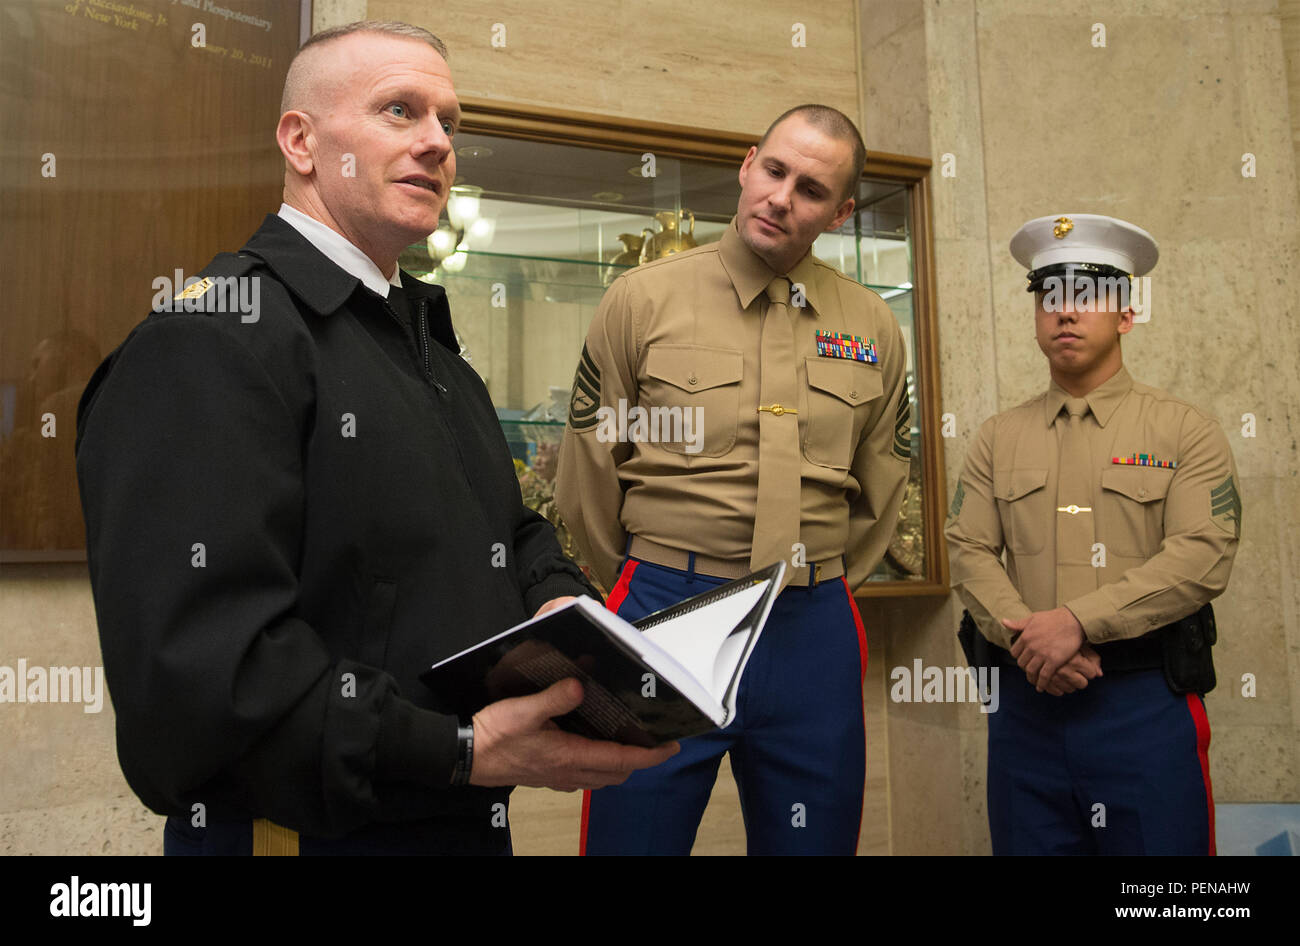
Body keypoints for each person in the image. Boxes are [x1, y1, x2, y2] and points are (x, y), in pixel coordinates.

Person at [75, 20, 675, 857]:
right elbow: (207, 682)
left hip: (458, 821)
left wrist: (555, 600)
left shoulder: (427, 347)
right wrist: (460, 751)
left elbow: (510, 529)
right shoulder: (213, 338)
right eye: (400, 110)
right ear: (301, 141)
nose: (437, 142)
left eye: (449, 123)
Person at [555, 105, 911, 855]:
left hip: (810, 627)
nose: (782, 197)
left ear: (841, 212)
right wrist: (646, 577)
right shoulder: (641, 300)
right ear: (748, 164)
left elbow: (880, 488)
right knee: (633, 837)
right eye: (775, 171)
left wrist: (813, 571)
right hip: (665, 611)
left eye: (812, 190)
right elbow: (590, 470)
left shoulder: (872, 323)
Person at [945, 213, 1239, 855]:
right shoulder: (999, 437)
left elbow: (1201, 555)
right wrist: (1031, 637)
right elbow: (968, 549)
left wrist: (1076, 622)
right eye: (1050, 297)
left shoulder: (1185, 431)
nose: (1065, 313)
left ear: (1126, 316)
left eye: (1087, 296)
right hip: (1026, 711)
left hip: (1142, 705)